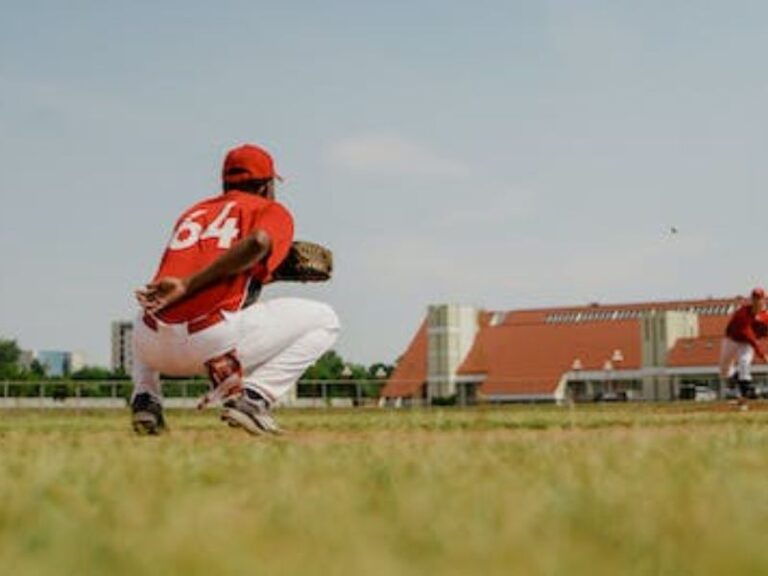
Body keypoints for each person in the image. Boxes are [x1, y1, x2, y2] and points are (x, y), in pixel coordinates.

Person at [130, 144, 340, 435]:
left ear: (225, 182)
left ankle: (145, 399)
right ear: (267, 185)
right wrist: (189, 284)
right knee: (325, 320)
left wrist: (268, 275)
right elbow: (258, 242)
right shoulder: (270, 210)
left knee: (147, 309)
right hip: (209, 343)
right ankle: (254, 400)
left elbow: (210, 274)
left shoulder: (194, 213)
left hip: (149, 346)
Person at [719, 287, 768, 401]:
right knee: (724, 371)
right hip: (731, 340)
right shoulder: (743, 313)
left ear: (764, 300)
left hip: (746, 344)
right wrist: (762, 354)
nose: (757, 301)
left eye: (759, 298)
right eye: (755, 298)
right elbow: (750, 336)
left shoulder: (765, 316)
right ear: (751, 300)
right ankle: (736, 376)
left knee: (744, 362)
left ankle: (746, 392)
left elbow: (763, 332)